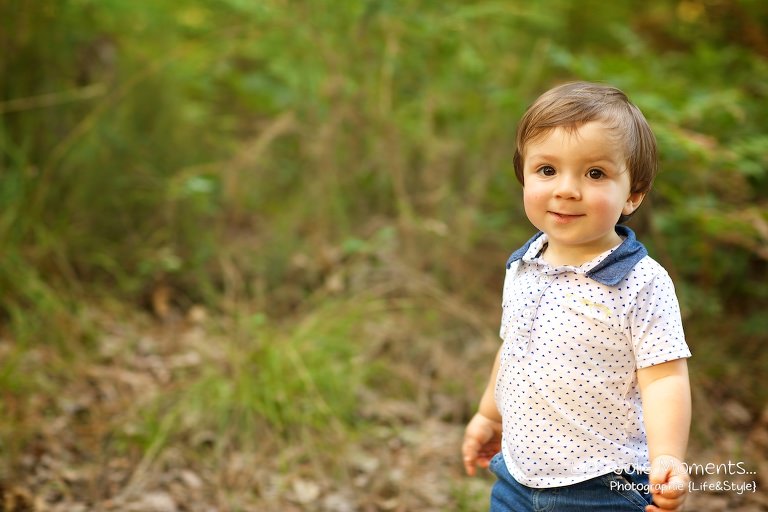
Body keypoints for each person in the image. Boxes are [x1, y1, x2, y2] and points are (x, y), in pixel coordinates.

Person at [461, 81, 692, 512]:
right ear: (524, 176)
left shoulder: (640, 282)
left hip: (603, 484)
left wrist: (668, 457)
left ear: (633, 194)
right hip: (516, 477)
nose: (566, 189)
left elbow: (664, 378)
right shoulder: (524, 264)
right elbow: (514, 349)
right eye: (547, 170)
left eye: (595, 174)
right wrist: (489, 416)